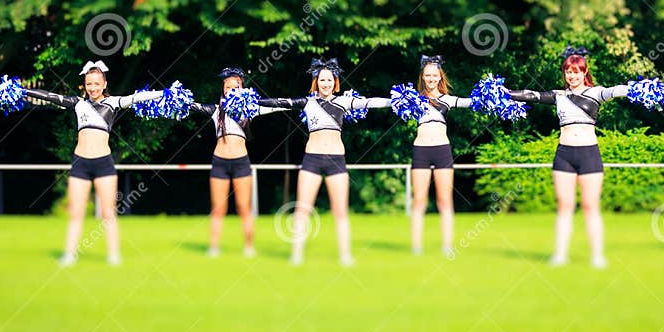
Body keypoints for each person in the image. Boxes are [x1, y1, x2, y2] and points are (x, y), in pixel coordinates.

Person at [23, 60, 164, 267]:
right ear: (84, 85)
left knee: (108, 212)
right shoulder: (78, 104)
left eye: (97, 84)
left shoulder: (113, 103)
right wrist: (23, 91)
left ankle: (113, 255)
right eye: (89, 84)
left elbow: (137, 98)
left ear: (104, 84)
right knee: (76, 211)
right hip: (80, 163)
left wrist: (164, 94)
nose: (93, 88)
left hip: (103, 163)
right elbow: (51, 97)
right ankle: (69, 254)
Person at [506, 46, 631, 268]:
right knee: (564, 205)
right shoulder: (559, 96)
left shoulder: (595, 93)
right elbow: (532, 95)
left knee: (590, 205)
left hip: (589, 154)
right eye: (568, 72)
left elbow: (616, 90)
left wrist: (637, 89)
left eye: (576, 71)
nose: (571, 76)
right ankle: (560, 254)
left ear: (584, 72)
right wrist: (505, 93)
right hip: (564, 154)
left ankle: (597, 256)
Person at [258, 58, 390, 266]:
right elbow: (281, 102)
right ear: (316, 82)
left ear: (335, 81)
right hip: (311, 159)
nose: (326, 83)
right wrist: (252, 101)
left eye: (329, 80)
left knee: (340, 210)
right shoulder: (308, 103)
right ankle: (296, 254)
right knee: (302, 208)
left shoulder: (344, 102)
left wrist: (397, 101)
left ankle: (345, 255)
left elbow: (370, 102)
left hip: (336, 161)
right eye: (322, 80)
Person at [190, 68, 286, 258]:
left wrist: (304, 103)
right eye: (228, 86)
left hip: (241, 163)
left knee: (244, 206)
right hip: (220, 163)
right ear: (223, 89)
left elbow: (276, 104)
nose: (232, 88)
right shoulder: (216, 111)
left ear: (243, 88)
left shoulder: (250, 109)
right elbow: (193, 106)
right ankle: (214, 247)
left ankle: (249, 247)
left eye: (237, 85)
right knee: (218, 208)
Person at [409, 55, 471, 257]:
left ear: (440, 76)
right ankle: (416, 246)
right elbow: (388, 103)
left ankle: (447, 246)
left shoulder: (447, 100)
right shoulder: (413, 99)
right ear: (422, 76)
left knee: (444, 201)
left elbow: (469, 102)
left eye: (434, 75)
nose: (431, 79)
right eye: (427, 75)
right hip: (421, 150)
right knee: (419, 201)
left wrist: (494, 98)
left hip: (442, 150)